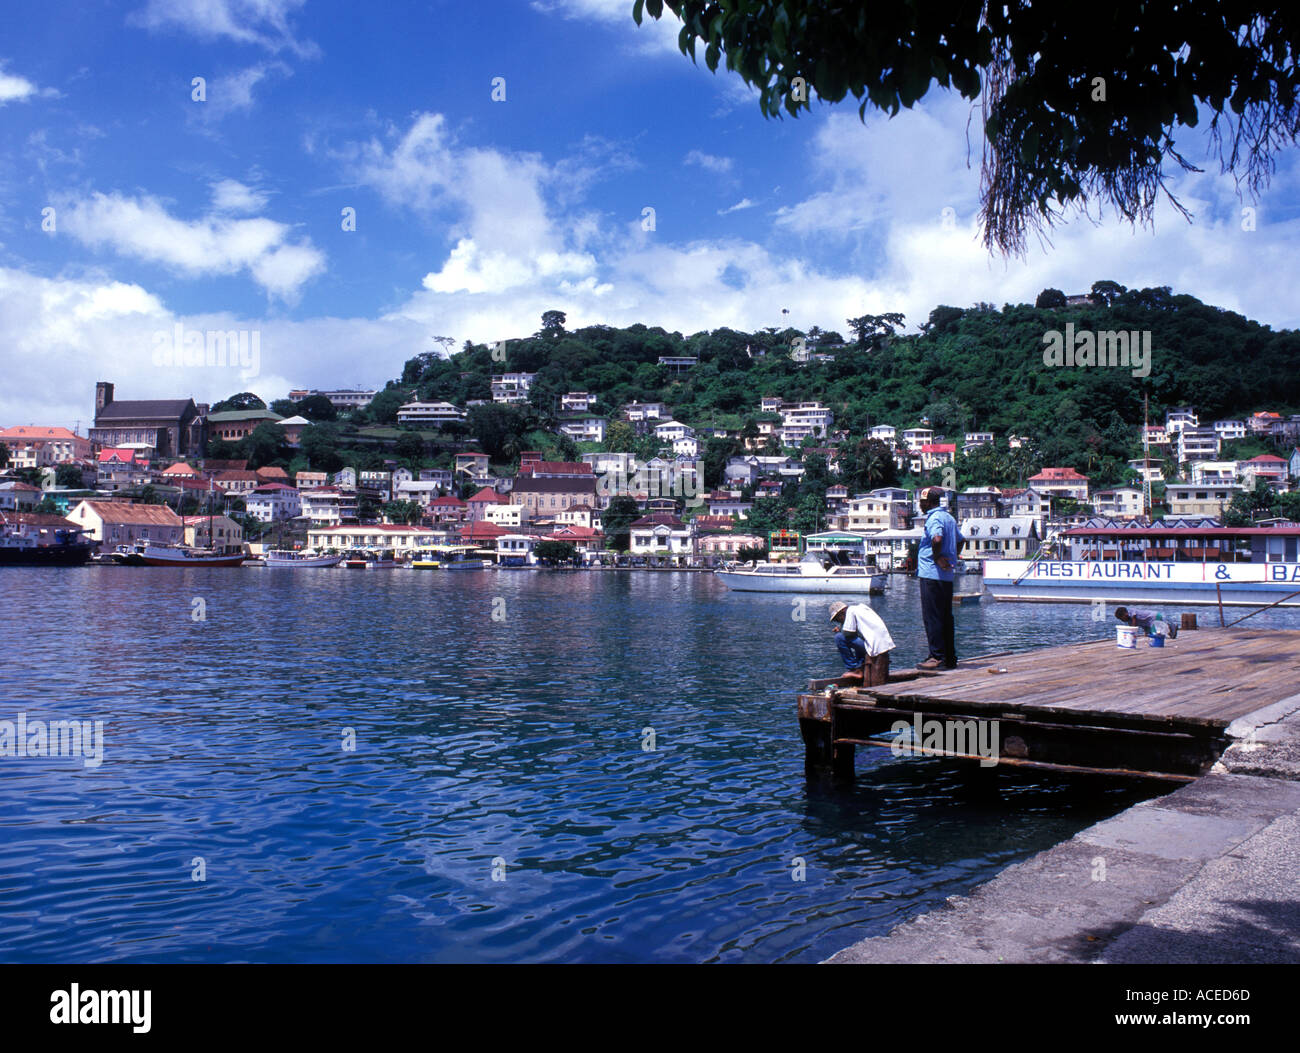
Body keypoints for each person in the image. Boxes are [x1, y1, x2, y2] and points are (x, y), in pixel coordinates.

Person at [916, 487, 962, 669]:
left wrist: (937, 558)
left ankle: (936, 657)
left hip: (931, 573)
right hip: (946, 576)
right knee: (945, 617)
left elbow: (936, 539)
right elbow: (961, 540)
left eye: (922, 502)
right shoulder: (949, 518)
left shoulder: (934, 518)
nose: (920, 506)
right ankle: (950, 657)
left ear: (929, 502)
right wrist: (952, 559)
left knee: (932, 616)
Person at [829, 600, 896, 686]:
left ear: (842, 612)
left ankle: (853, 669)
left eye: (837, 619)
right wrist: (842, 628)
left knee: (839, 637)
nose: (839, 622)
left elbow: (847, 633)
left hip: (874, 646)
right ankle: (860, 667)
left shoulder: (850, 611)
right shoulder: (860, 608)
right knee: (855, 637)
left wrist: (841, 630)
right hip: (881, 645)